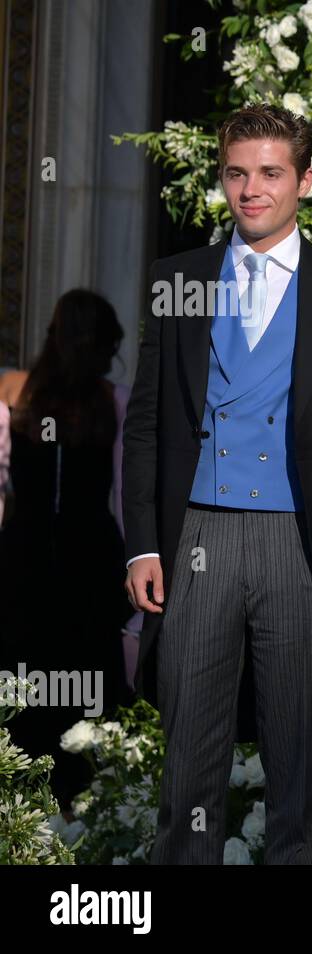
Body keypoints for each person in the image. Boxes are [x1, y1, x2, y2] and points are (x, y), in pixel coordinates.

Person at [122, 103, 312, 864]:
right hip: (197, 536)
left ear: (304, 179)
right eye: (237, 173)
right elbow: (147, 425)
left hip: (302, 543)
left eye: (270, 173)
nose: (251, 189)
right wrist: (143, 546)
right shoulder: (179, 281)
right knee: (188, 772)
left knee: (298, 781)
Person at [0, 290, 133, 808]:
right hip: (88, 562)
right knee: (82, 694)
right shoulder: (114, 401)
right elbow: (124, 494)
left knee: (23, 685)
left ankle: (18, 808)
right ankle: (76, 809)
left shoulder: (15, 393)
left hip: (25, 559)